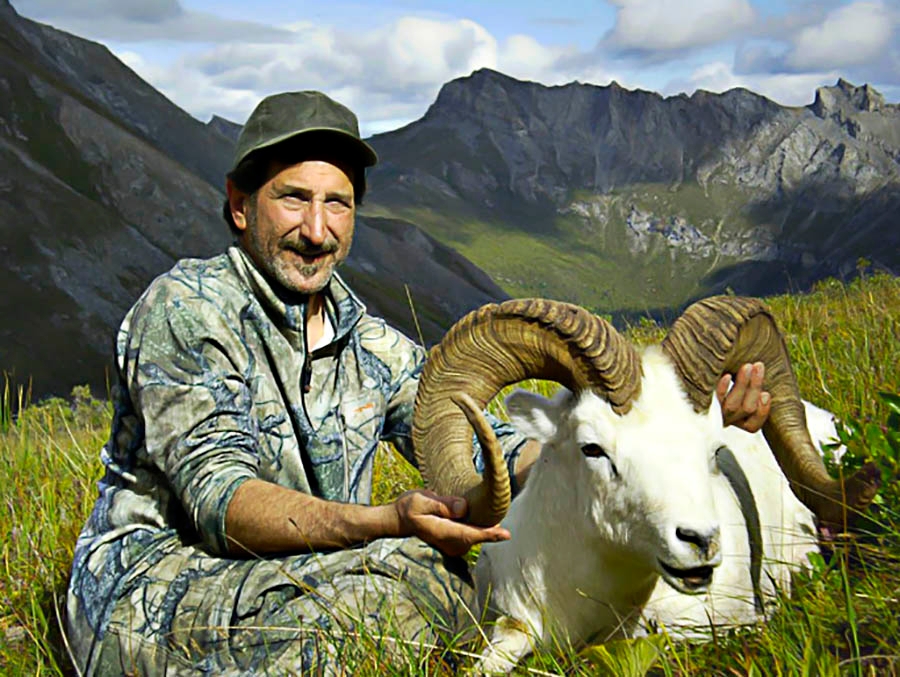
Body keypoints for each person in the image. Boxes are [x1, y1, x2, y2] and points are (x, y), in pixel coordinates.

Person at [65, 90, 771, 675]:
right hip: (152, 590)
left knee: (447, 577)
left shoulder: (365, 339)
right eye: (293, 199)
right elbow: (224, 499)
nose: (316, 229)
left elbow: (478, 440)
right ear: (240, 203)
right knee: (399, 596)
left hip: (292, 576)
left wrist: (654, 435)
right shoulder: (186, 309)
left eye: (337, 204)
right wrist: (381, 520)